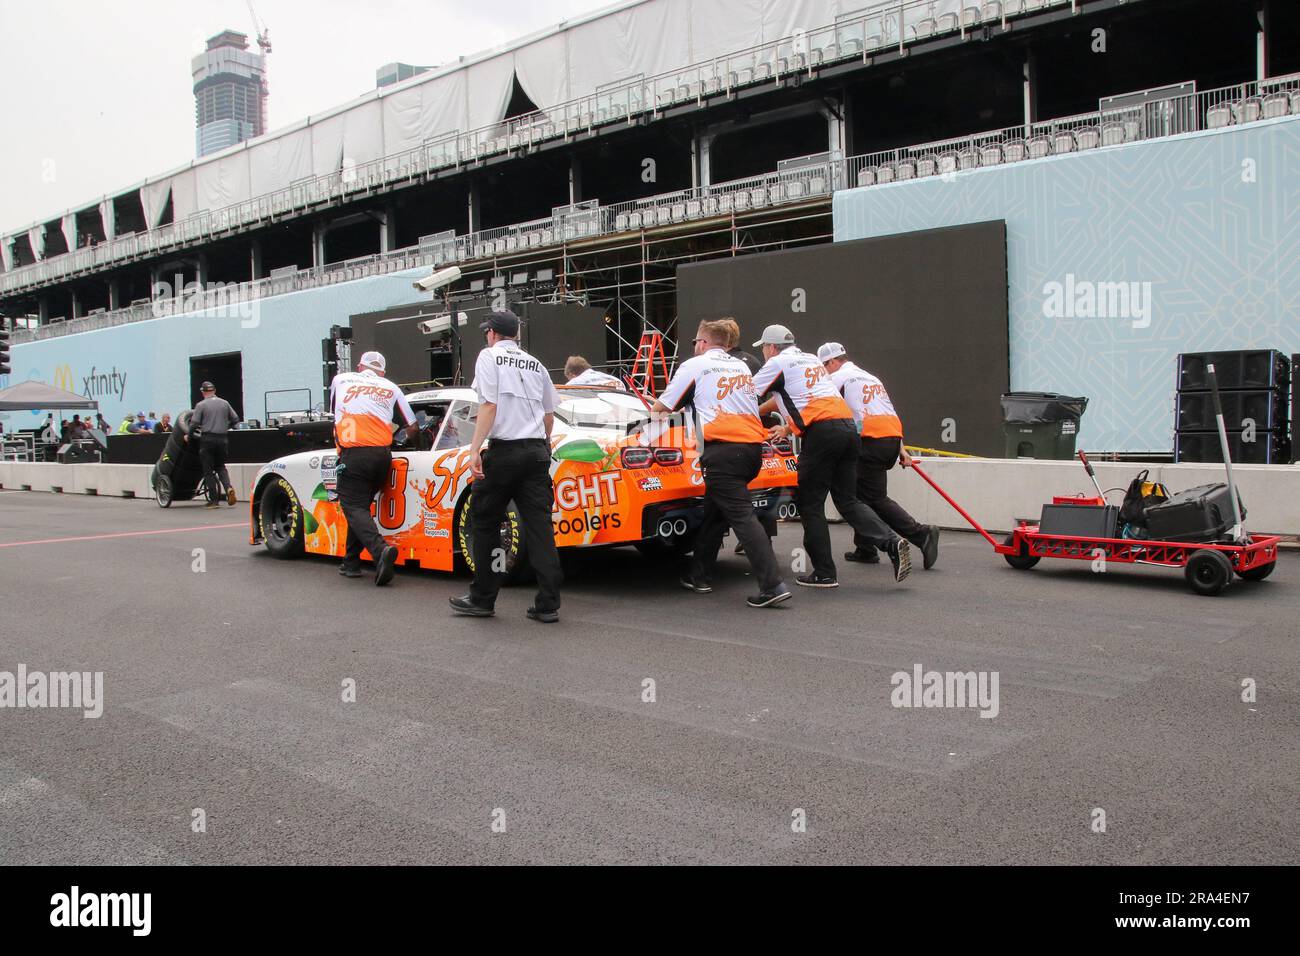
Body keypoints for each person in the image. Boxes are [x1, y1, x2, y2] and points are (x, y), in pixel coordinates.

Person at [751, 324, 911, 588]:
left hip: (821, 433)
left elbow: (747, 395)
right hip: (848, 428)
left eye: (764, 348)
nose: (765, 354)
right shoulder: (812, 360)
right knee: (848, 500)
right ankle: (891, 542)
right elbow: (806, 398)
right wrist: (788, 425)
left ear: (771, 346)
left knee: (810, 503)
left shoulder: (777, 362)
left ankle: (825, 572)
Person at [652, 319, 791, 608]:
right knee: (716, 514)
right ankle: (698, 575)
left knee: (741, 516)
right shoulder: (739, 366)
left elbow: (662, 407)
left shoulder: (695, 365)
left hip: (722, 452)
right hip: (752, 450)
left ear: (703, 343)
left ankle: (772, 584)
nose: (694, 347)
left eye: (694, 342)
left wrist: (644, 436)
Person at [449, 310, 564, 623]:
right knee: (540, 527)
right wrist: (540, 445)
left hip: (505, 452)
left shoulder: (489, 358)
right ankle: (548, 602)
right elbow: (549, 415)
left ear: (491, 333)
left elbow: (488, 404)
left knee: (484, 522)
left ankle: (483, 597)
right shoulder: (535, 363)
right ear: (516, 334)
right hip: (537, 451)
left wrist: (474, 448)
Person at [819, 342, 939, 570]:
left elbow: (817, 403)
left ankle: (920, 534)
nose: (824, 372)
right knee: (867, 496)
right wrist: (901, 450)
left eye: (824, 367)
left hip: (869, 442)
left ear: (832, 362)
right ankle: (865, 548)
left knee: (856, 499)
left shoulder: (837, 379)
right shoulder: (871, 378)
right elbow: (886, 411)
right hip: (890, 439)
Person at [328, 351, 415, 585]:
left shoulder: (340, 380)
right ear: (382, 372)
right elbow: (414, 425)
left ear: (359, 367)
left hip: (354, 453)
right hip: (382, 455)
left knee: (352, 505)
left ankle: (380, 551)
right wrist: (401, 439)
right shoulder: (391, 387)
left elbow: (334, 415)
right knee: (360, 509)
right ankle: (351, 562)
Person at [718, 318, 778, 552]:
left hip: (736, 433)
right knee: (762, 486)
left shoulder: (724, 364)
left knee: (734, 489)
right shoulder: (752, 361)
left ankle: (747, 538)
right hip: (761, 430)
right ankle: (763, 539)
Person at [190, 383, 240, 508]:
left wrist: (189, 434)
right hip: (222, 439)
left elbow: (194, 423)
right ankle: (228, 488)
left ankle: (214, 501)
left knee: (208, 470)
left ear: (203, 392)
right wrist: (225, 427)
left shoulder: (201, 405)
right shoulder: (225, 403)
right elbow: (235, 420)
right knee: (221, 466)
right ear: (215, 390)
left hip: (207, 439)